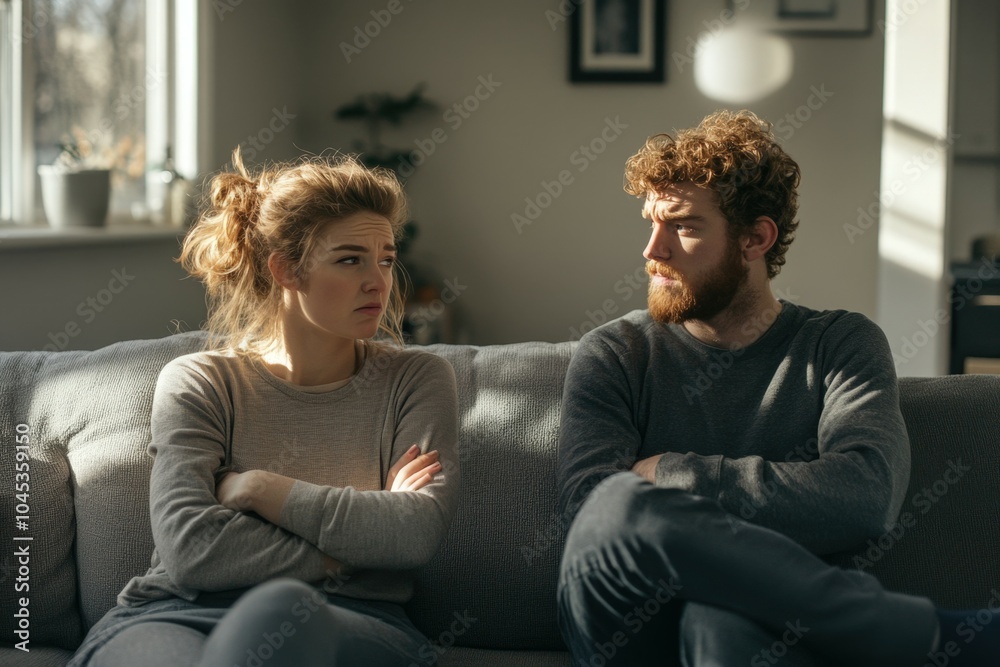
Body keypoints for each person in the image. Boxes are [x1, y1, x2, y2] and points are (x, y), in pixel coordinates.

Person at [556, 110, 997, 667]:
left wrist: (669, 472)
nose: (653, 250)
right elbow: (588, 515)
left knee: (719, 618)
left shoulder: (838, 344)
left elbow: (867, 494)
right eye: (650, 222)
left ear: (755, 238)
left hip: (766, 630)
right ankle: (928, 635)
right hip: (627, 631)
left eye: (684, 226)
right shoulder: (615, 353)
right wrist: (788, 503)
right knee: (616, 503)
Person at [68, 149, 459, 667]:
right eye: (350, 259)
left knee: (280, 612)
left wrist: (259, 489)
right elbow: (192, 552)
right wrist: (352, 549)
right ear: (286, 270)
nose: (378, 281)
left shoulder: (417, 380)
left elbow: (412, 536)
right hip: (172, 615)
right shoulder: (200, 383)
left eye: (386, 258)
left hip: (353, 620)